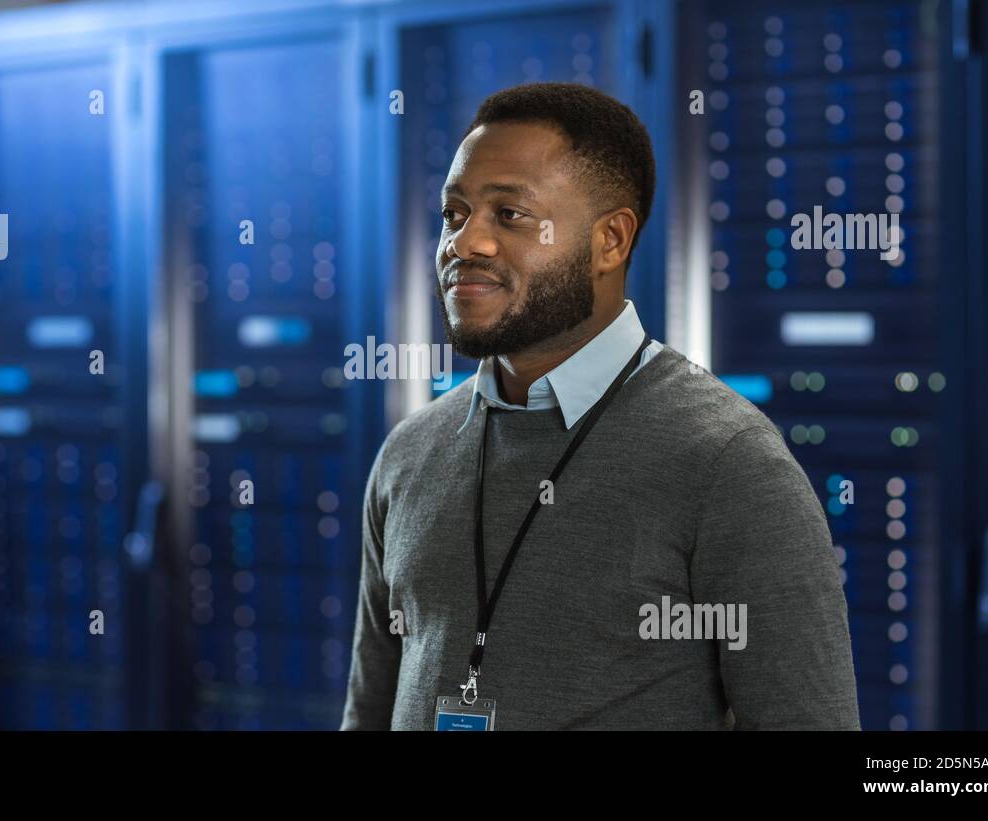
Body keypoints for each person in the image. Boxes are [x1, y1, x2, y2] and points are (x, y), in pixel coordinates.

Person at [341, 82, 859, 730]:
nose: (464, 243)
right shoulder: (408, 455)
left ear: (610, 241)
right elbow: (366, 712)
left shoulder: (730, 465)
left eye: (509, 214)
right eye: (454, 213)